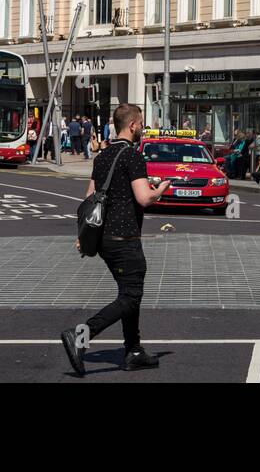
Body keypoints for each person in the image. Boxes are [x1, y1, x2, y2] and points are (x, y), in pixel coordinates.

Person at [60, 103, 167, 376]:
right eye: (141, 123)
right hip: (125, 238)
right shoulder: (133, 155)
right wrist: (160, 190)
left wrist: (83, 236)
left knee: (128, 294)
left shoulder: (103, 155)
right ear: (132, 125)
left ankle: (134, 351)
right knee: (131, 296)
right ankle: (81, 334)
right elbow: (144, 198)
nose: (142, 128)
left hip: (105, 239)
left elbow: (89, 198)